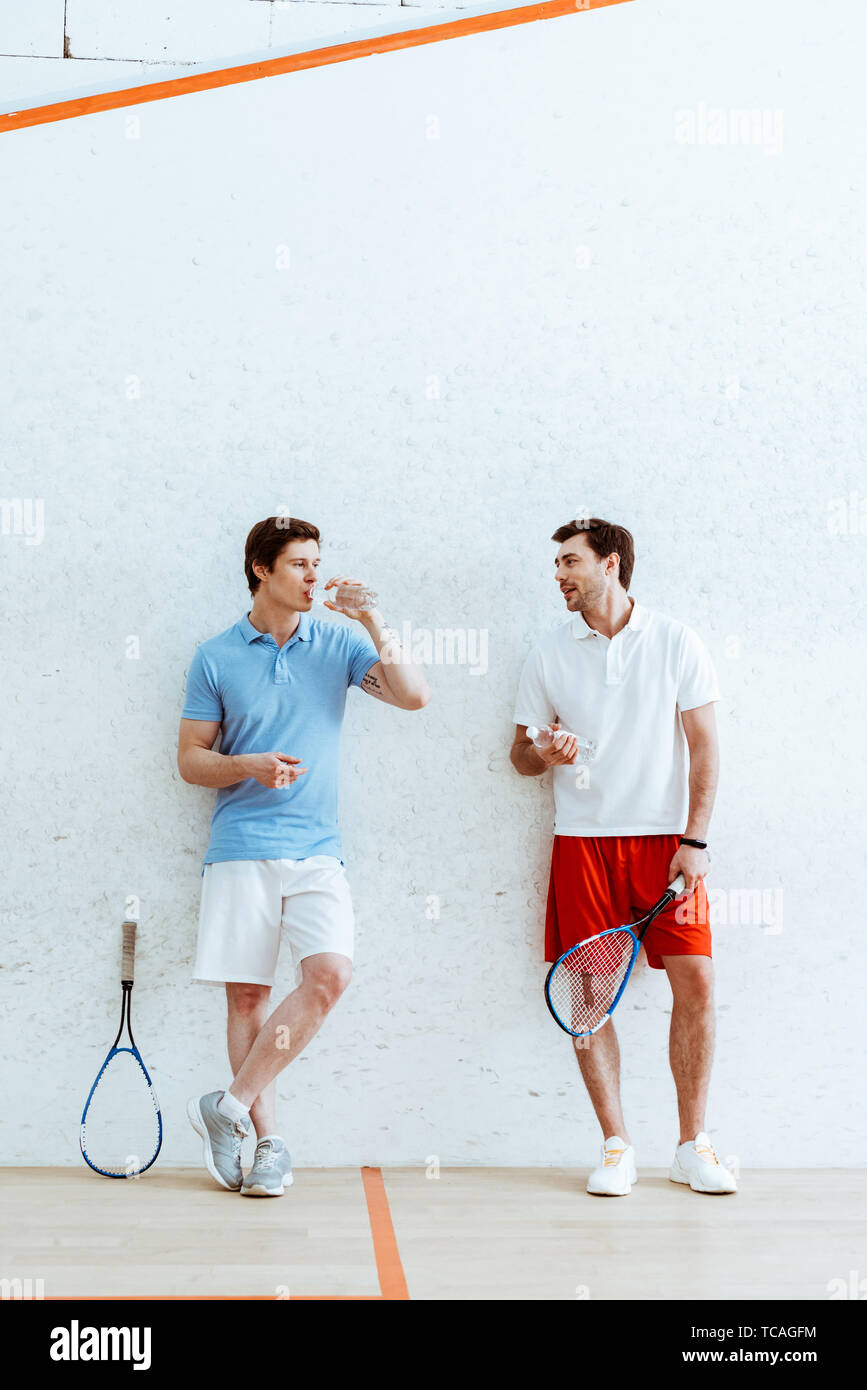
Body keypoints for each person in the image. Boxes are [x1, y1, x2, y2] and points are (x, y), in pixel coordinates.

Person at [177, 516, 430, 1195]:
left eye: (318, 563)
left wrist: (374, 620)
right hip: (240, 850)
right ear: (261, 570)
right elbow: (189, 762)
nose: (314, 576)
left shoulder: (339, 643)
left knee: (329, 977)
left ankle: (224, 1107)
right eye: (299, 564)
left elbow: (413, 695)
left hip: (318, 852)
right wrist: (247, 765)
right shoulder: (214, 656)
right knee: (249, 998)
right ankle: (266, 1146)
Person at [511, 517, 736, 1196]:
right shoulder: (547, 649)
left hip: (665, 844)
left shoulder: (674, 640)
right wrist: (542, 752)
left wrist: (693, 840)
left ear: (610, 564)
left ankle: (691, 1145)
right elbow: (519, 755)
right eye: (555, 564)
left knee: (694, 982)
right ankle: (615, 1146)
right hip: (581, 843)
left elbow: (704, 746)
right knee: (588, 998)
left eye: (570, 562)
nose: (558, 575)